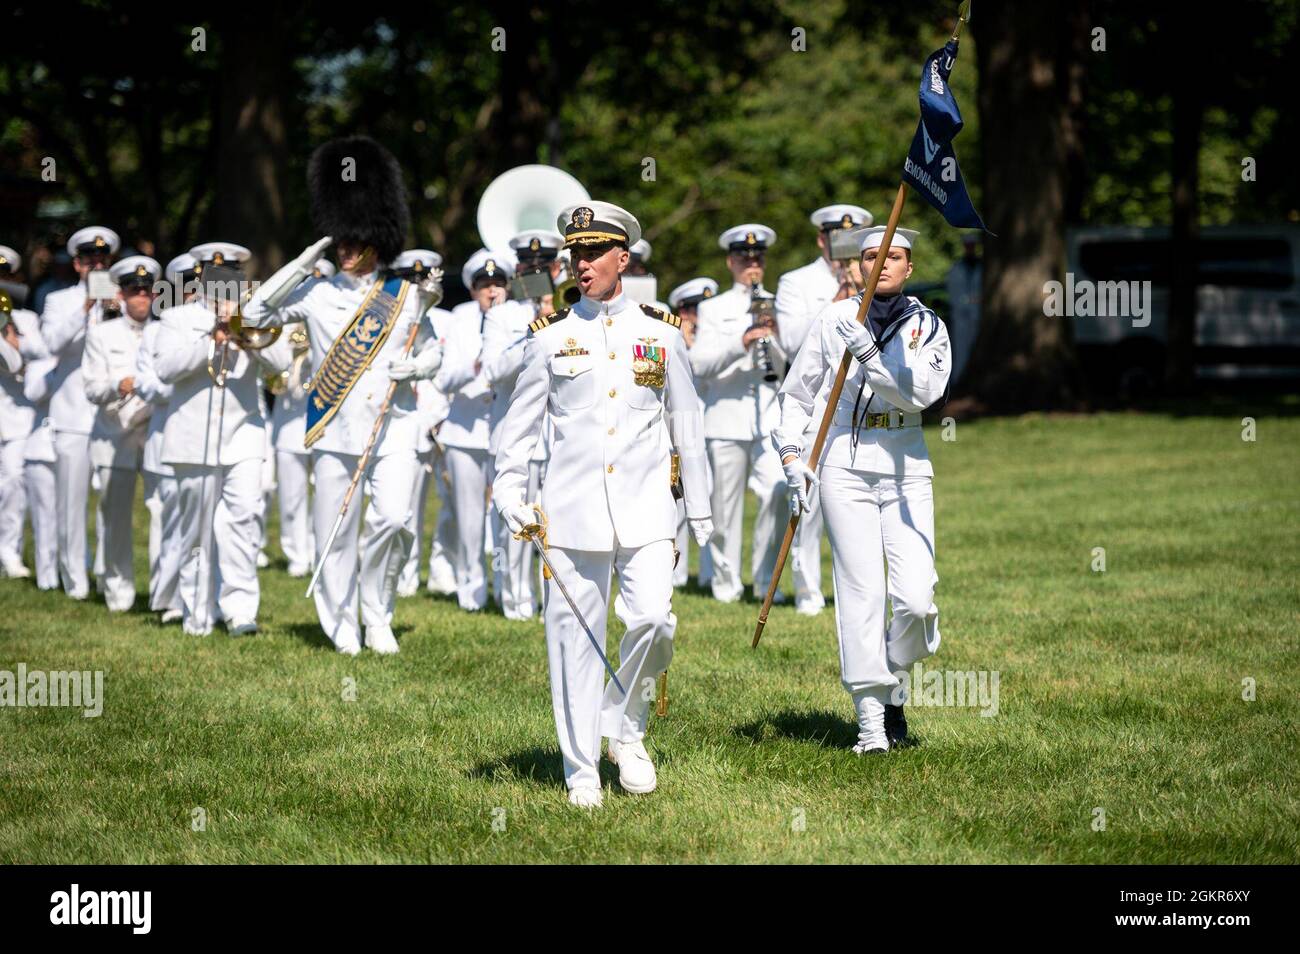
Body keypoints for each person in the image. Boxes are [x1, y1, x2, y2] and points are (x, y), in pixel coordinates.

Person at [494, 201, 712, 808]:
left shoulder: (661, 333)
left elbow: (687, 421)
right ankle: (581, 769)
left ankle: (624, 727)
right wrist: (511, 493)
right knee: (573, 642)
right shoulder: (551, 339)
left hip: (646, 511)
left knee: (653, 621)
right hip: (571, 512)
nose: (582, 264)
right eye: (575, 254)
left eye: (593, 253)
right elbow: (515, 430)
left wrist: (700, 504)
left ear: (624, 258)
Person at [241, 136, 443, 655]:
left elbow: (434, 351)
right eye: (341, 242)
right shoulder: (316, 292)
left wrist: (418, 364)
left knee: (395, 519)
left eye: (356, 241)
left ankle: (377, 613)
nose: (347, 250)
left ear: (378, 237)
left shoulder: (405, 295)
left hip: (393, 426)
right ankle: (341, 625)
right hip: (335, 428)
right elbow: (254, 315)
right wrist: (306, 257)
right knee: (335, 530)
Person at [772, 225, 950, 753]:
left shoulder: (926, 324)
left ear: (909, 266)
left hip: (905, 463)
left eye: (893, 256)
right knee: (860, 591)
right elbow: (796, 396)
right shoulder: (832, 320)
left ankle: (894, 678)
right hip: (842, 467)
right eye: (871, 256)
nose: (881, 264)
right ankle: (871, 721)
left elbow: (923, 394)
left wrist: (871, 357)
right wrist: (790, 455)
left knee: (915, 599)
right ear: (856, 266)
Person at [154, 242, 292, 637]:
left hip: (243, 435)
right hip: (191, 437)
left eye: (230, 278)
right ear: (200, 278)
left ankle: (240, 610)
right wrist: (212, 339)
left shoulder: (254, 316)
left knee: (243, 519)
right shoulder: (177, 318)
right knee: (195, 529)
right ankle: (196, 612)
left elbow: (281, 363)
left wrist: (245, 332)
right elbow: (165, 368)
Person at [775, 205, 874, 616]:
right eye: (838, 239)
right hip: (814, 403)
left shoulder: (871, 279)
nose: (844, 249)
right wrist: (839, 298)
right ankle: (807, 590)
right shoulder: (796, 282)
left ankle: (858, 588)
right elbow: (790, 341)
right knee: (808, 499)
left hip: (858, 405)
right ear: (822, 239)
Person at [689, 224, 788, 604]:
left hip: (769, 420)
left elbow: (786, 368)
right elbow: (700, 363)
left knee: (777, 492)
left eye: (758, 258)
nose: (753, 264)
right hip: (726, 418)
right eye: (745, 259)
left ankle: (766, 582)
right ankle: (727, 585)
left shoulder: (777, 303)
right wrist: (741, 340)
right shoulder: (713, 308)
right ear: (731, 262)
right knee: (725, 508)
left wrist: (774, 336)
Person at [481, 230, 566, 620]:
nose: (536, 272)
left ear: (556, 268)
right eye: (529, 267)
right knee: (517, 524)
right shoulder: (501, 316)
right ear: (517, 270)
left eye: (544, 266)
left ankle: (556, 598)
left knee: (561, 523)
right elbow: (494, 371)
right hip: (517, 437)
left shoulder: (571, 311)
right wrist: (535, 331)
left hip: (562, 436)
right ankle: (516, 601)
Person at [39, 226, 120, 599]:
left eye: (103, 260)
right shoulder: (59, 300)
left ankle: (106, 573)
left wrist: (116, 310)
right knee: (71, 504)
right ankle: (74, 579)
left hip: (111, 417)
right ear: (77, 264)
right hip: (72, 418)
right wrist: (87, 305)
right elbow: (50, 344)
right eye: (90, 261)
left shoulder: (120, 298)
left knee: (110, 502)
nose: (97, 266)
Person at [432, 247, 512, 612]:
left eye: (498, 284)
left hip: (506, 429)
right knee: (468, 515)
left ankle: (508, 587)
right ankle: (471, 590)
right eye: (484, 285)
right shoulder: (459, 319)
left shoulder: (520, 316)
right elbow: (444, 378)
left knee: (506, 515)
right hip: (465, 430)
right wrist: (475, 366)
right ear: (472, 289)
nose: (492, 291)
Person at [81, 255, 161, 611]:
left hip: (156, 432)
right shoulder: (101, 334)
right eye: (134, 290)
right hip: (114, 434)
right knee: (114, 517)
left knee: (162, 512)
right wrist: (121, 383)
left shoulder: (165, 330)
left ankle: (163, 594)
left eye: (146, 291)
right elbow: (92, 389)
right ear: (122, 295)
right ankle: (118, 590)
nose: (141, 296)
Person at [388, 249, 455, 597]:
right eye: (410, 279)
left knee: (450, 504)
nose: (418, 286)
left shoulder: (447, 319)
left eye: (424, 278)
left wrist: (441, 416)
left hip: (442, 422)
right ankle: (404, 574)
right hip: (407, 423)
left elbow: (450, 371)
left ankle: (443, 570)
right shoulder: (389, 317)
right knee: (405, 506)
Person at [133, 254, 194, 622]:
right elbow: (146, 382)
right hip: (167, 438)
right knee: (166, 521)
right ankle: (168, 597)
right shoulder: (157, 330)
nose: (192, 294)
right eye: (186, 286)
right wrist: (186, 387)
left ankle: (201, 595)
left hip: (206, 440)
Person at [666, 276, 718, 589]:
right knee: (676, 501)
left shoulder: (713, 337)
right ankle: (677, 572)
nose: (698, 317)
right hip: (681, 428)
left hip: (714, 426)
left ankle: (706, 573)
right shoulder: (672, 335)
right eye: (693, 310)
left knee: (705, 498)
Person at [0, 245, 41, 578]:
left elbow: (36, 360)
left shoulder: (26, 320)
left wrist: (14, 339)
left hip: (16, 417)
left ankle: (10, 551)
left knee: (14, 482)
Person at [945, 232, 982, 386]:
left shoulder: (982, 267)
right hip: (961, 317)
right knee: (960, 351)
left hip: (979, 315)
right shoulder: (956, 268)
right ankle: (959, 382)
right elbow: (954, 293)